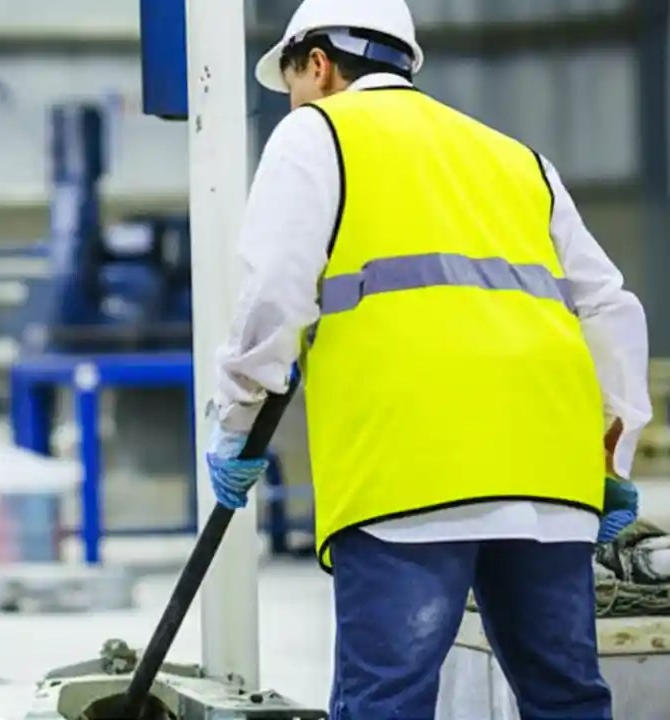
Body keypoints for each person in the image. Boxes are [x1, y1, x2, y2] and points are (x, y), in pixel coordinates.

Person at [202, 0, 653, 717]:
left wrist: (238, 418)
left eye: (290, 82)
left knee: (385, 701)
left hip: (410, 475)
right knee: (567, 699)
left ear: (317, 65)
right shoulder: (515, 157)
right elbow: (608, 306)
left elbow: (274, 291)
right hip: (550, 475)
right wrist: (614, 456)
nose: (290, 100)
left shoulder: (316, 132)